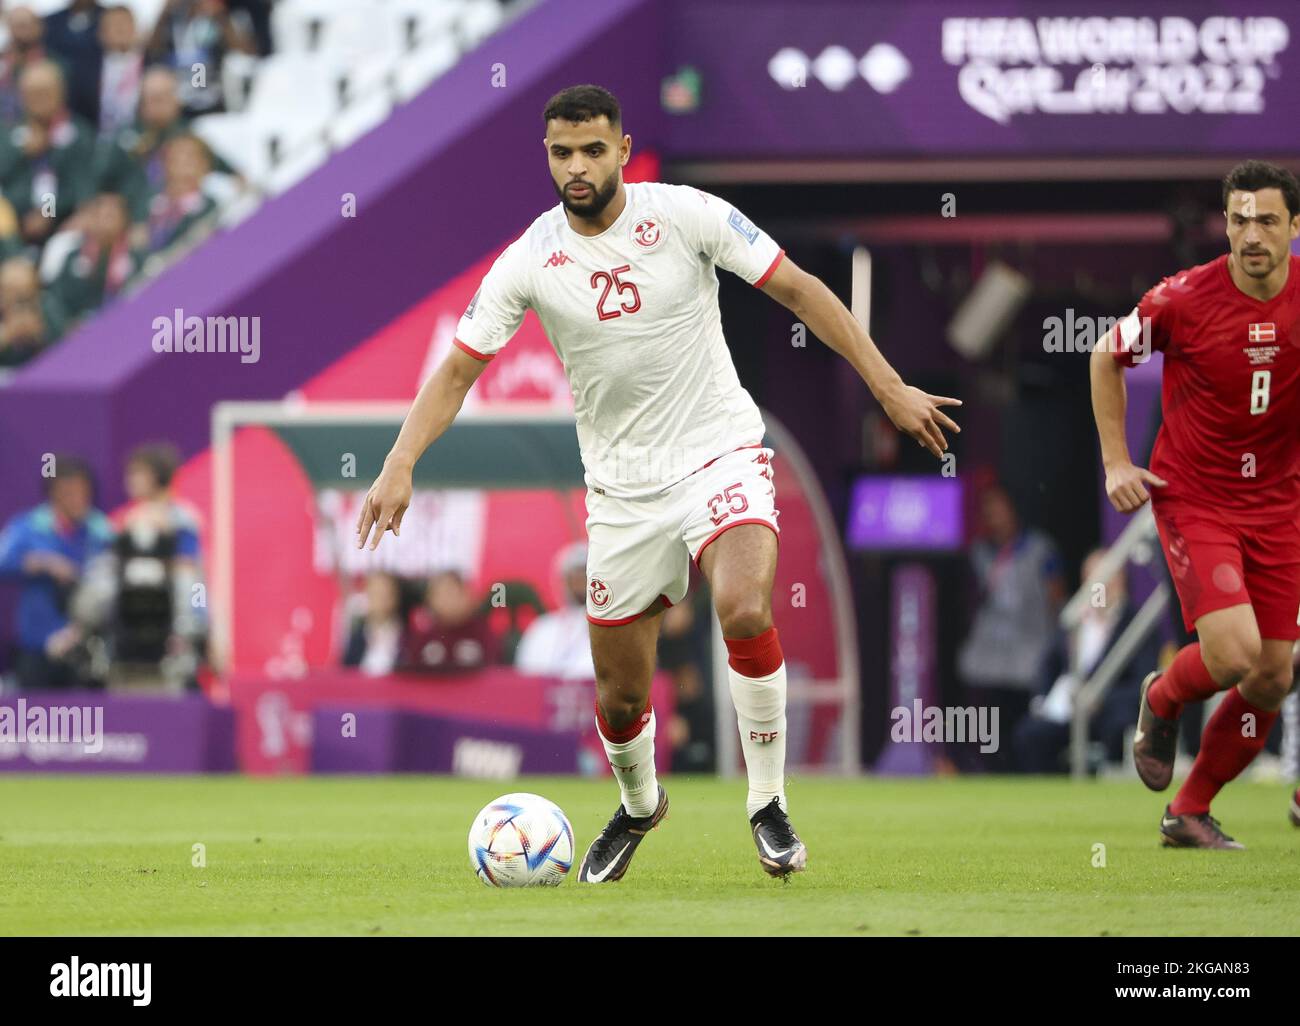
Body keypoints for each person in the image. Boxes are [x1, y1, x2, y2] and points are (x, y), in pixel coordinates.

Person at [355, 84, 959, 882]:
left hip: (721, 451)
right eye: (562, 152)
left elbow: (801, 289)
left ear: (623, 148)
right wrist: (400, 462)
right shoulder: (530, 259)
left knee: (743, 608)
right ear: (547, 156)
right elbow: (460, 370)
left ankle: (768, 804)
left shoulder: (685, 214)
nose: (577, 166)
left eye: (593, 150)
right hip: (622, 492)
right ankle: (639, 806)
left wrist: (886, 386)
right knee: (617, 698)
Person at [1091, 159, 1300, 848]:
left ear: (1294, 226)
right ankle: (1163, 695)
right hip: (1198, 498)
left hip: (1279, 502)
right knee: (1238, 654)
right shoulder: (1183, 298)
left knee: (1273, 676)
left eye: (1267, 219)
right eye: (1239, 219)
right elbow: (1104, 355)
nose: (1251, 234)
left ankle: (1189, 809)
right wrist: (1117, 460)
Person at [1012, 550, 1160, 773]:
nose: (1099, 586)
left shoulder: (1136, 625)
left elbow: (1143, 680)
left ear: (1120, 580)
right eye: (1093, 579)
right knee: (1029, 734)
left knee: (1117, 725)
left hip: (1104, 713)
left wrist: (1099, 700)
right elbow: (1048, 664)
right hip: (1064, 710)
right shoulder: (1074, 620)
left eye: (1106, 577)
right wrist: (1041, 699)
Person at [957, 482, 1065, 771]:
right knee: (990, 720)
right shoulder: (979, 552)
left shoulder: (1039, 548)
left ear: (1013, 510)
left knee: (1025, 720)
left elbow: (1057, 596)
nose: (994, 516)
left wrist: (1057, 645)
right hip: (989, 654)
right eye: (988, 511)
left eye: (999, 509)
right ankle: (990, 768)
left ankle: (1025, 771)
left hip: (1030, 650)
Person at [0, 455, 113, 689]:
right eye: (68, 492)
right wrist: (39, 563)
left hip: (86, 648)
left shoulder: (101, 530)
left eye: (83, 492)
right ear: (53, 494)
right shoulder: (29, 526)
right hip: (37, 647)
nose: (77, 499)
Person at [515, 542, 596, 680]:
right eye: (575, 578)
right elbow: (525, 676)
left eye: (585, 577)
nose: (581, 585)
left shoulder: (611, 629)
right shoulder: (542, 628)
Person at [400, 570, 497, 673]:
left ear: (466, 595)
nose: (447, 600)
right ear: (430, 601)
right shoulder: (423, 636)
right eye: (440, 594)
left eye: (451, 593)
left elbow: (492, 674)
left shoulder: (483, 633)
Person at [342, 571, 406, 676]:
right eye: (376, 594)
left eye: (387, 594)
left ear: (396, 597)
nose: (382, 600)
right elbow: (346, 670)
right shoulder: (357, 635)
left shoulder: (406, 636)